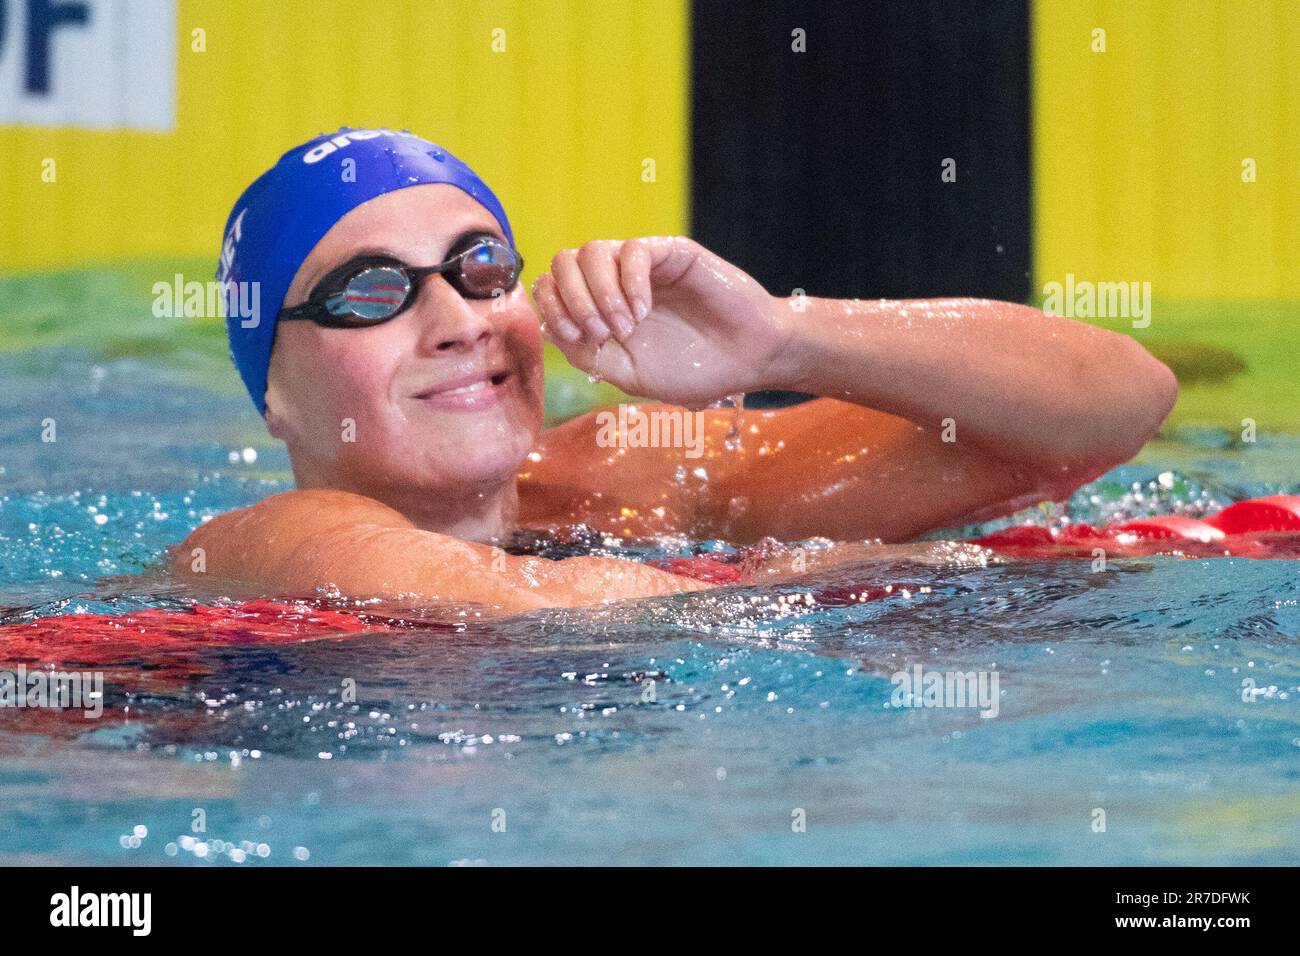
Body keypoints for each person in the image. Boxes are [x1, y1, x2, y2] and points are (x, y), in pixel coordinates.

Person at [174, 128, 1177, 614]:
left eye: (480, 268)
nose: (455, 321)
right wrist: (821, 569)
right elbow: (535, 612)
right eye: (367, 292)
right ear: (272, 391)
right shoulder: (267, 540)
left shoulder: (632, 474)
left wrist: (786, 338)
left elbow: (1119, 403)